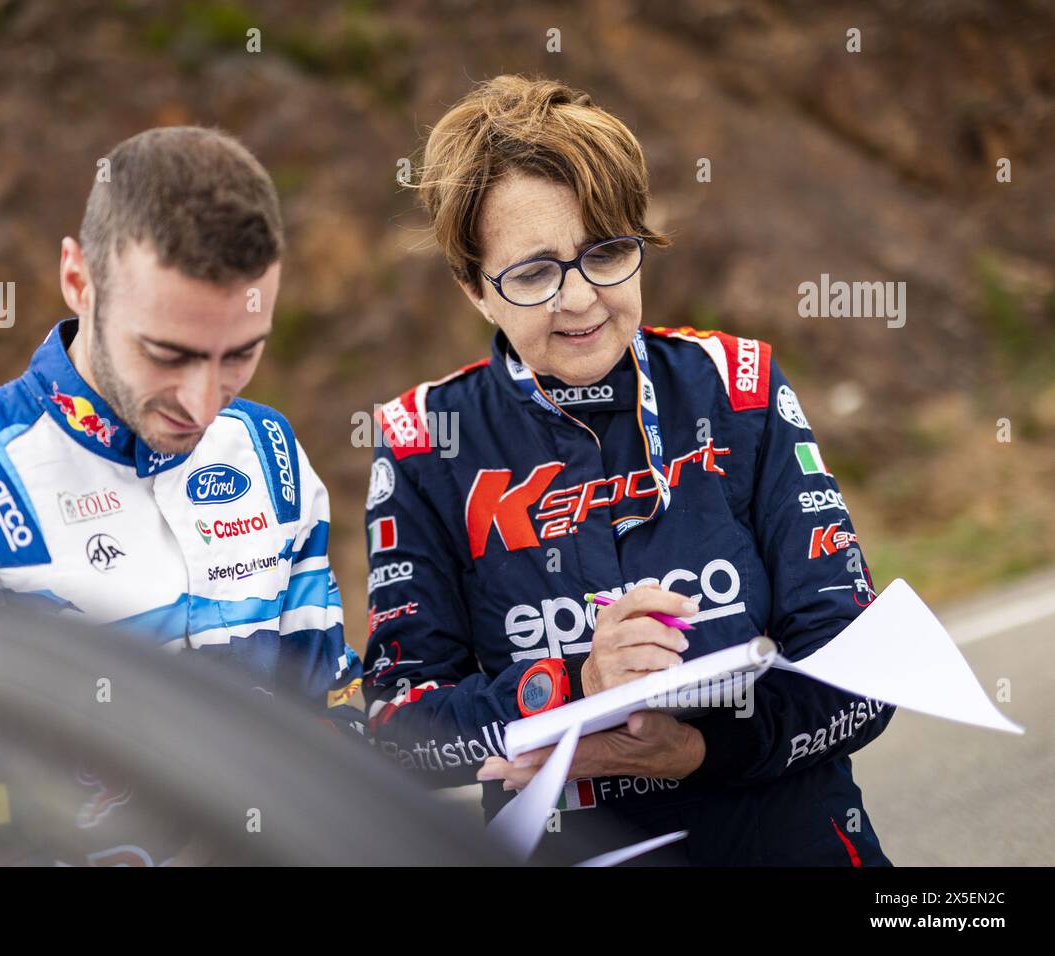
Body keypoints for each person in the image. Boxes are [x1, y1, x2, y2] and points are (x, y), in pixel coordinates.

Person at [362, 75, 894, 866]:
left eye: (606, 254)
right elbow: (396, 733)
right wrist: (573, 682)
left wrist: (700, 752)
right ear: (474, 288)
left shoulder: (737, 383)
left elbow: (866, 674)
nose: (579, 301)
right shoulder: (421, 440)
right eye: (535, 273)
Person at [0, 126, 362, 864]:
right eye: (168, 353)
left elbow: (330, 723)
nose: (205, 401)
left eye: (241, 353)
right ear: (78, 281)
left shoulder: (268, 450)